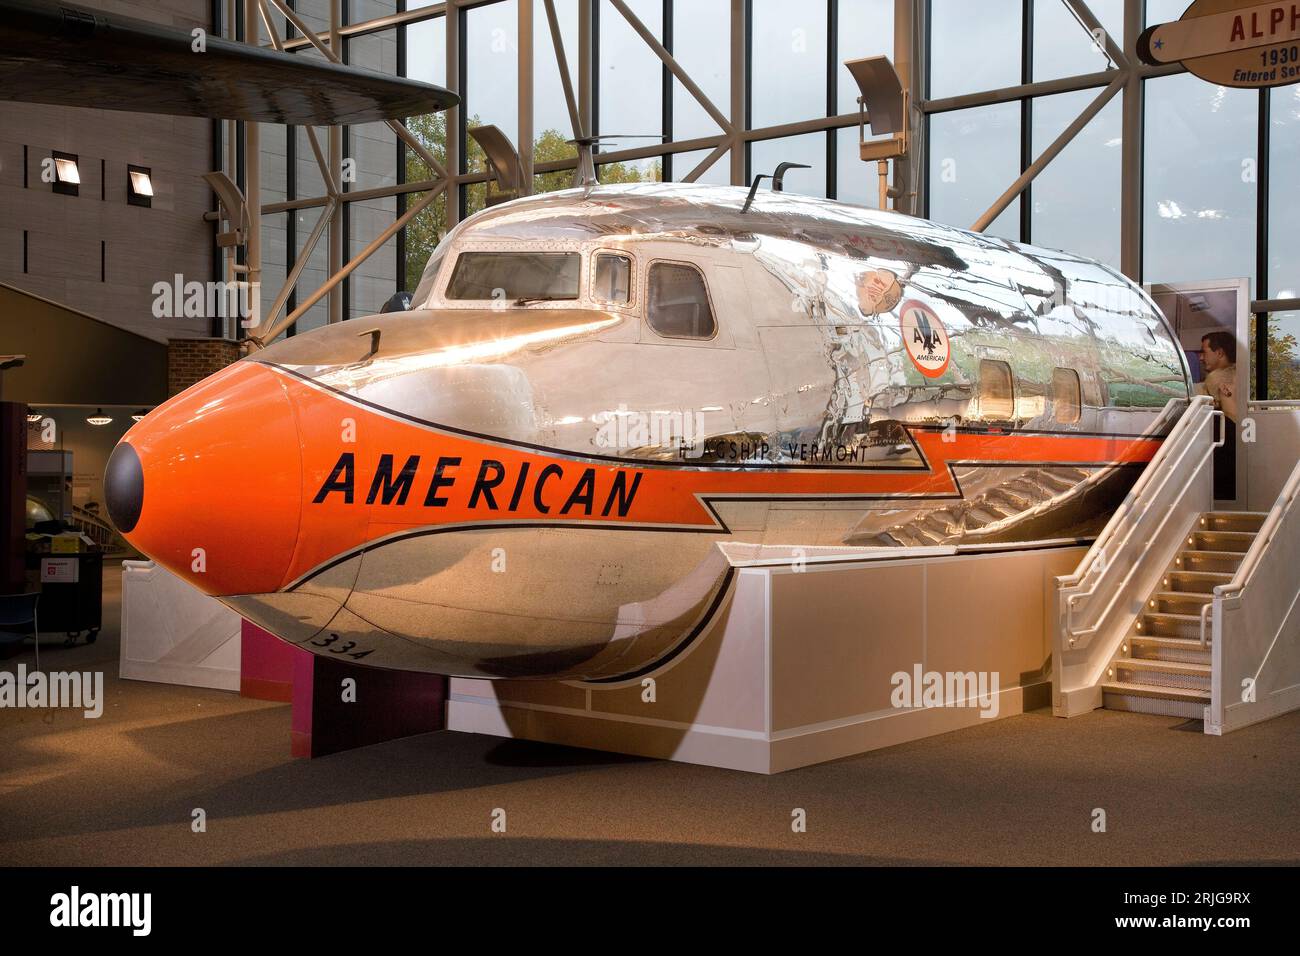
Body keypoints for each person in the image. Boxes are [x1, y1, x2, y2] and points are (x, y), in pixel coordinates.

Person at [1198, 331, 1238, 423]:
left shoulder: (1215, 378)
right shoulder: (1240, 374)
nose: (1201, 358)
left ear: (1219, 353)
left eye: (1204, 353)